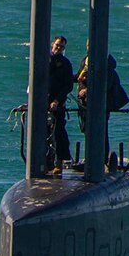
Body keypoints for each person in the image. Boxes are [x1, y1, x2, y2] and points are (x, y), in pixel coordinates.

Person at [47, 35, 75, 172]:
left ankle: (60, 161)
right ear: (53, 44)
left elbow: (68, 86)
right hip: (42, 100)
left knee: (59, 132)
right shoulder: (43, 59)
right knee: (43, 132)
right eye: (57, 45)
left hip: (58, 102)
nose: (58, 48)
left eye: (62, 46)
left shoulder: (65, 63)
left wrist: (57, 100)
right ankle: (46, 162)